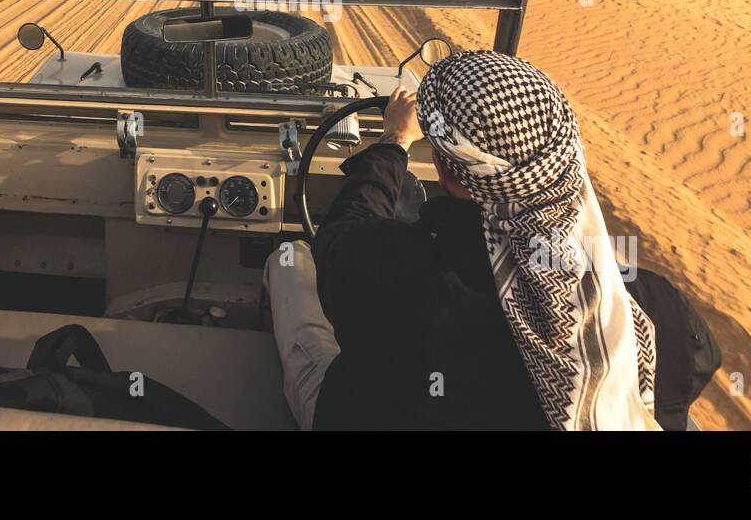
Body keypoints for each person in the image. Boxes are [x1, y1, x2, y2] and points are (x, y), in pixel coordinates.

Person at [264, 49, 662, 430]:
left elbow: (338, 240)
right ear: (562, 159)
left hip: (352, 414)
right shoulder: (637, 305)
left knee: (291, 258)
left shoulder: (404, 270)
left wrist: (394, 141)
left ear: (441, 167)